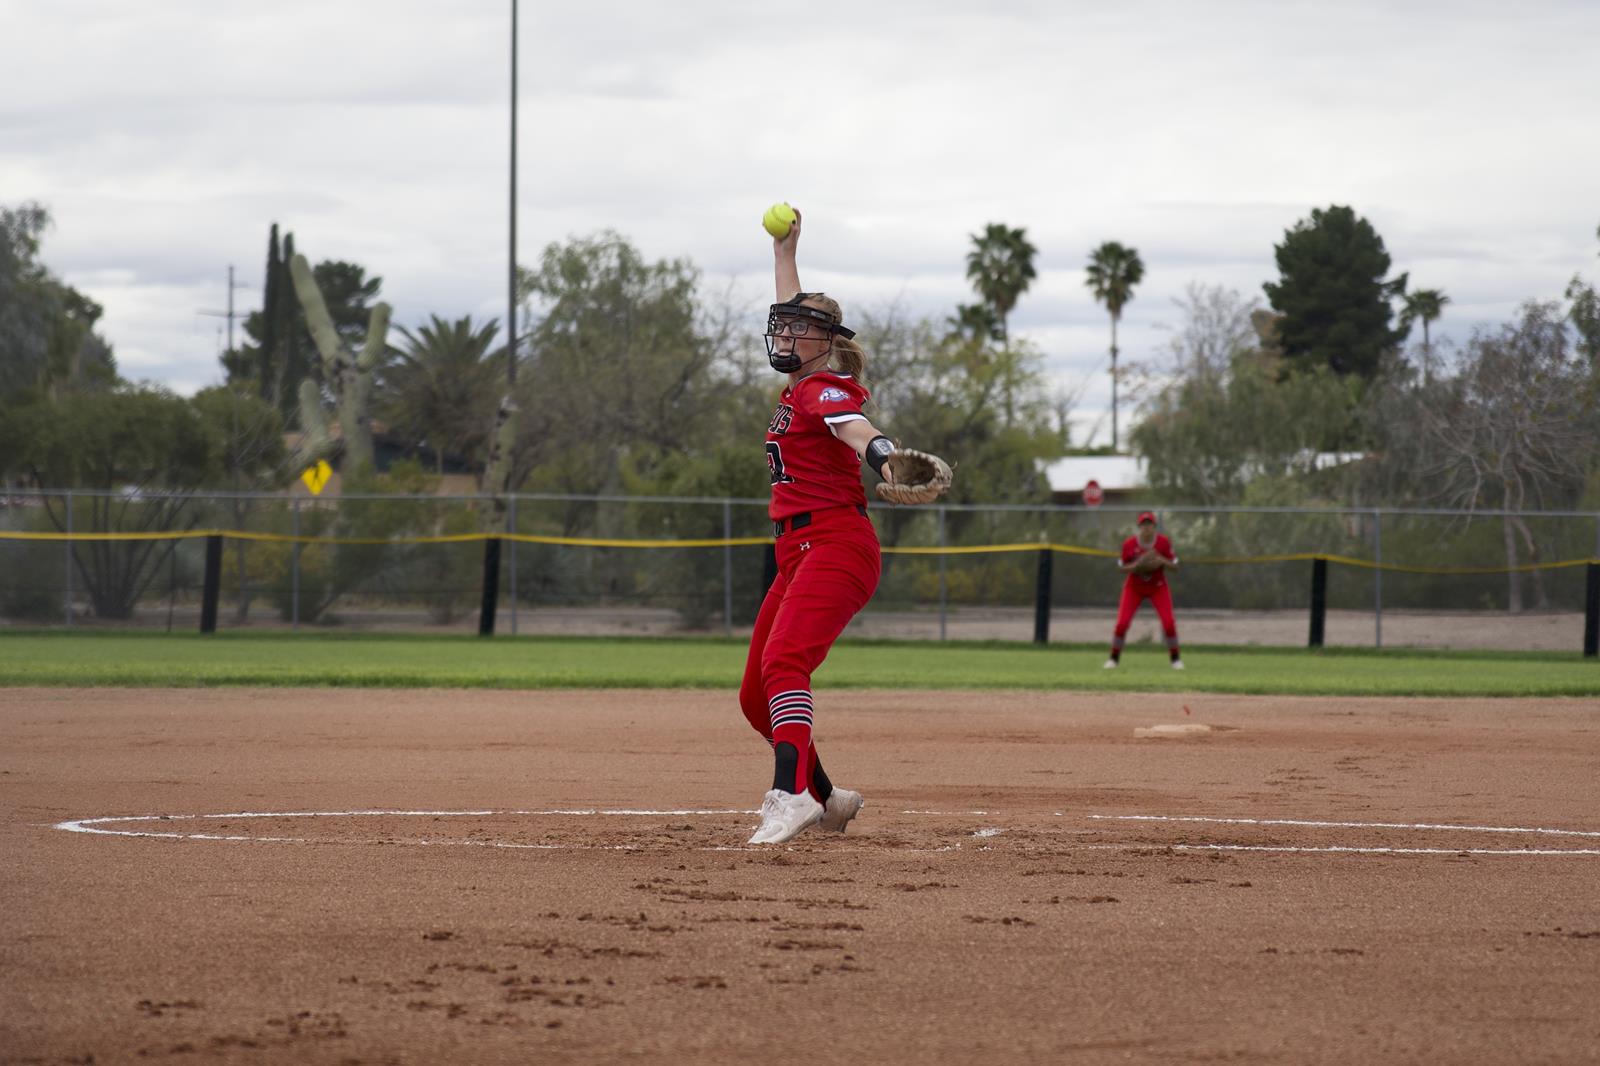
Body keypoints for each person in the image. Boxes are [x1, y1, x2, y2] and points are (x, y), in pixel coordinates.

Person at [740, 208, 912, 845]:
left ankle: (788, 797)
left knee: (785, 661)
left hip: (837, 543)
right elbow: (791, 298)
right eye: (781, 326)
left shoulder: (824, 388)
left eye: (796, 329)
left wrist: (887, 457)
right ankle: (828, 799)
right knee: (756, 699)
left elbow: (854, 428)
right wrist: (787, 251)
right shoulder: (802, 382)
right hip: (797, 550)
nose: (783, 335)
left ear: (825, 341)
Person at [1104, 511, 1184, 670]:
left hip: (1158, 586)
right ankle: (1114, 659)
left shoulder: (1162, 543)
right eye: (1143, 525)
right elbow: (1121, 567)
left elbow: (1175, 566)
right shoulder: (1129, 544)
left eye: (1149, 524)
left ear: (1154, 527)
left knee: (1168, 623)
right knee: (1122, 623)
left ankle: (1175, 659)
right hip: (1134, 587)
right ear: (1139, 527)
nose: (1146, 528)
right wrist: (1138, 565)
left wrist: (1161, 560)